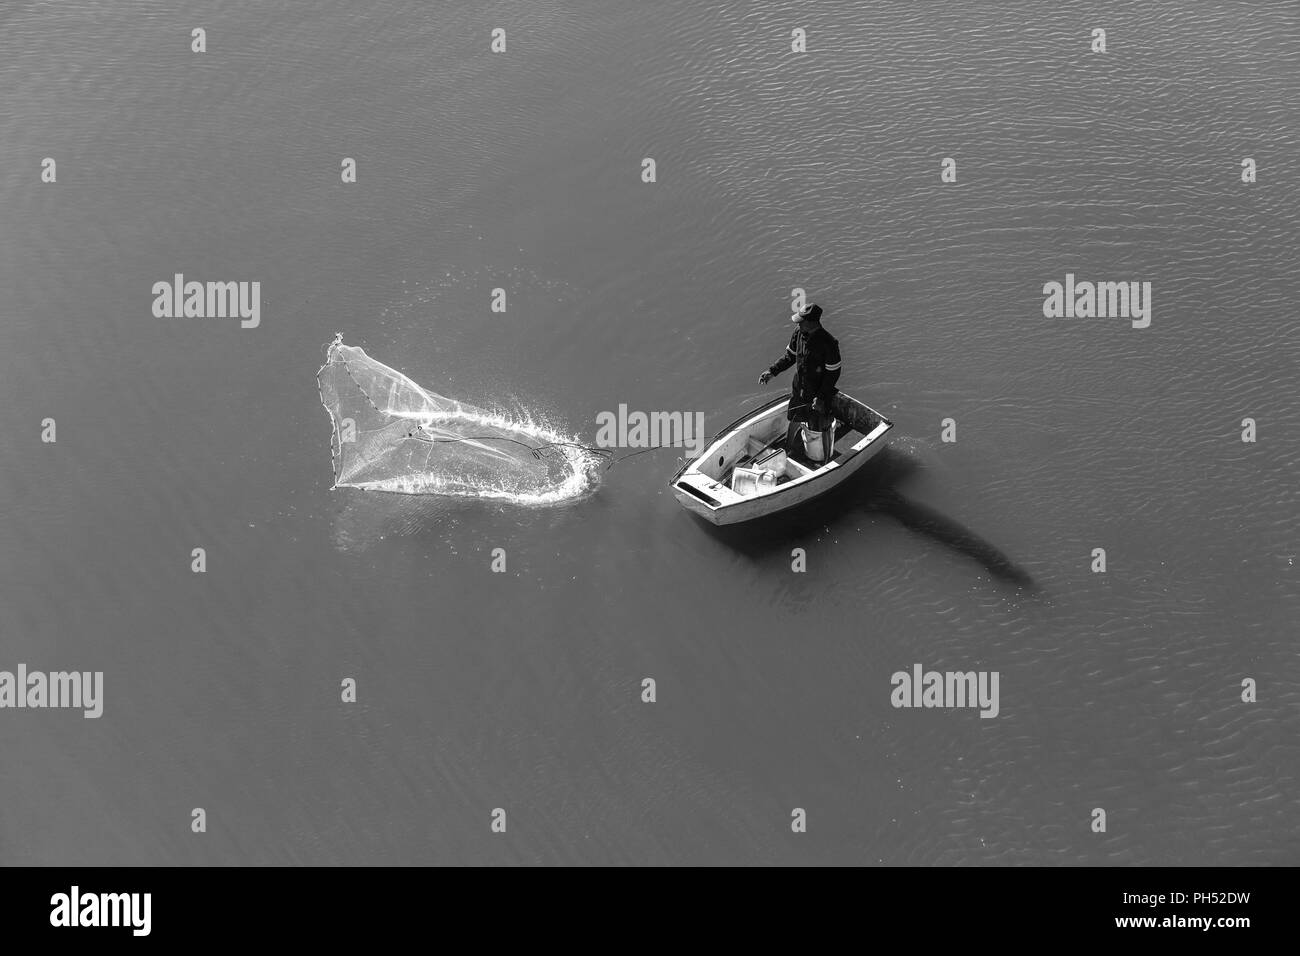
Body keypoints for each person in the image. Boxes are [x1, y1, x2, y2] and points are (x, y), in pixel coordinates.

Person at [759, 303, 841, 460]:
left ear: (811, 322)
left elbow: (833, 374)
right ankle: (788, 448)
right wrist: (772, 371)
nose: (797, 324)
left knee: (818, 426)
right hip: (800, 386)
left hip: (818, 392)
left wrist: (821, 397)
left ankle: (823, 458)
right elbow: (790, 356)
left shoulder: (829, 344)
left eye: (800, 321)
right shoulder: (799, 333)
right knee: (795, 417)